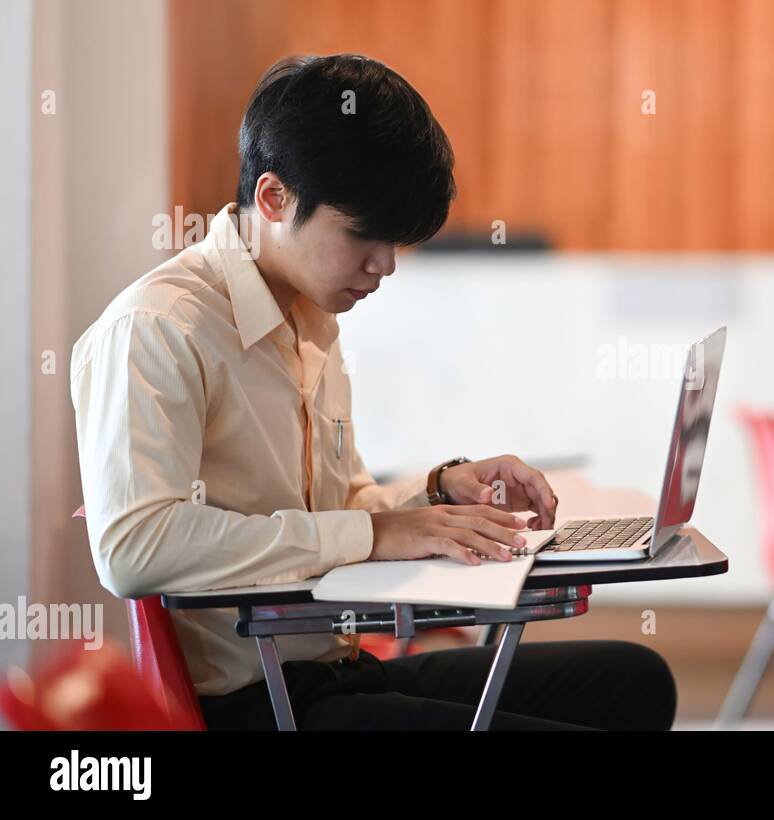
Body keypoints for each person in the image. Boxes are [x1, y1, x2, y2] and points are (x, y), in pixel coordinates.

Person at [69, 54, 676, 731]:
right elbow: (133, 547)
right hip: (260, 704)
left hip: (337, 672)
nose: (384, 265)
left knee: (633, 681)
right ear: (273, 199)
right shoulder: (158, 329)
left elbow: (349, 508)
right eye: (364, 236)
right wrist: (376, 531)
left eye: (394, 242)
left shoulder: (312, 318)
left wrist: (440, 493)